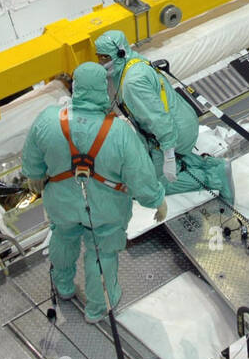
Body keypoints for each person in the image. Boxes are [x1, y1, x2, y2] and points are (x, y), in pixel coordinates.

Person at [22, 62, 167, 322]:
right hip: (106, 209)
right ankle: (97, 308)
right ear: (103, 89)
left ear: (76, 87)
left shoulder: (47, 120)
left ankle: (63, 287)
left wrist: (34, 176)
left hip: (62, 202)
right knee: (102, 254)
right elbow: (140, 174)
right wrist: (156, 200)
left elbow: (32, 158)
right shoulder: (121, 132)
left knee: (63, 239)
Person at [93, 30, 234, 203]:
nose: (102, 63)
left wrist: (168, 155)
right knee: (158, 161)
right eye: (99, 57)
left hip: (173, 132)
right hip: (182, 121)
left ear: (120, 52)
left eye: (105, 58)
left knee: (149, 186)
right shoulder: (132, 62)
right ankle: (216, 166)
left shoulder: (132, 82)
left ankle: (217, 179)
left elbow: (158, 119)